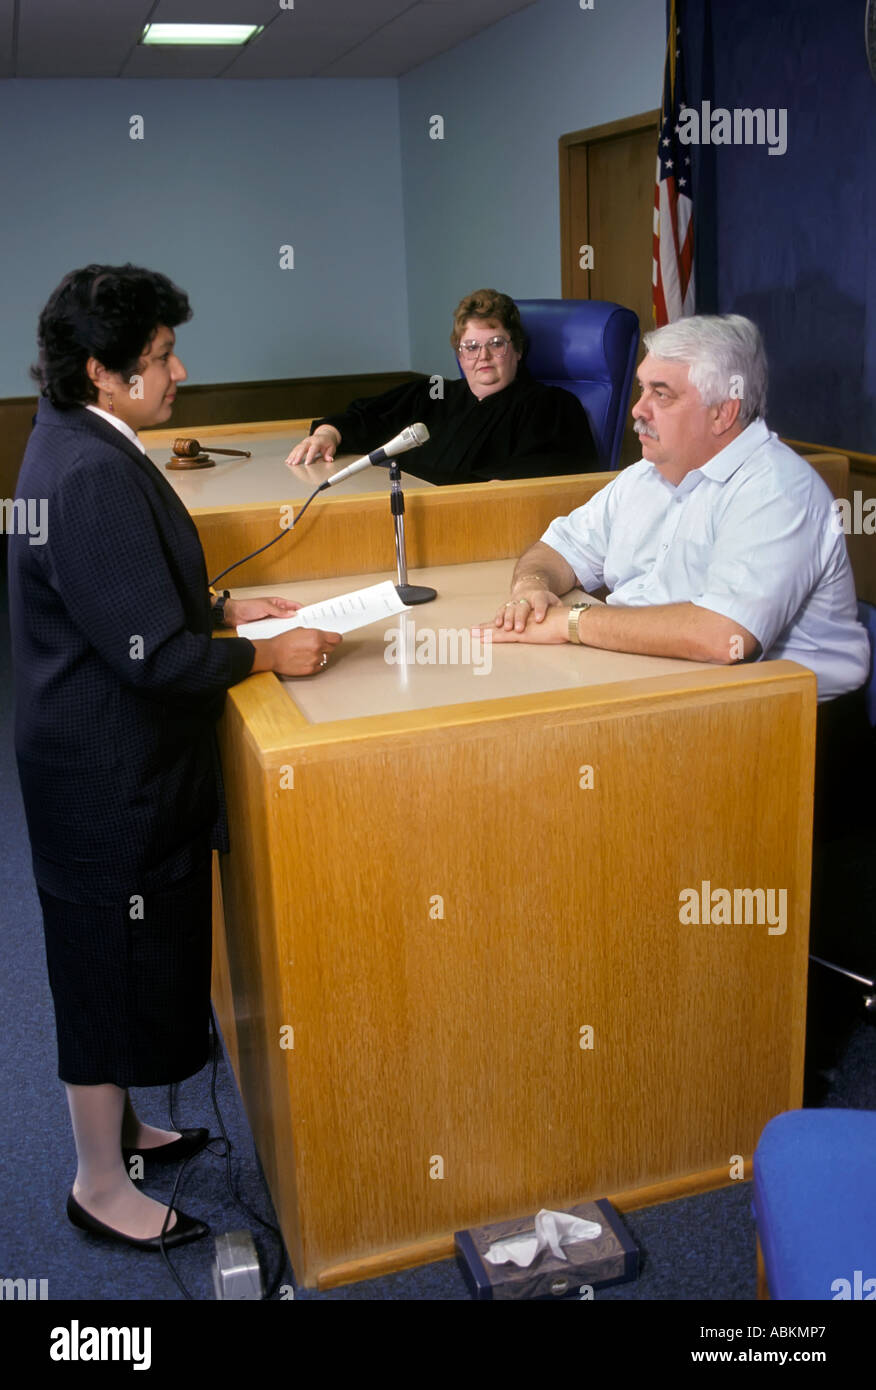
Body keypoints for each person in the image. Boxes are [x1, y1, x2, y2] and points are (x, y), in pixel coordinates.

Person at [8, 264, 341, 1251]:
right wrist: (265, 653)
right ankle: (98, 1182)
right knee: (102, 968)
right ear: (104, 372)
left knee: (125, 957)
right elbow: (152, 658)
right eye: (160, 358)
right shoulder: (91, 470)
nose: (180, 370)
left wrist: (225, 609)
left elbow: (122, 605)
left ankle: (127, 1135)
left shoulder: (77, 437)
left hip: (95, 752)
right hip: (104, 769)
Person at [286, 288, 599, 484]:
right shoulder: (433, 394)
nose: (483, 356)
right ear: (459, 354)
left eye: (496, 343)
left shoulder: (551, 406)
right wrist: (328, 433)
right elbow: (366, 417)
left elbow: (562, 473)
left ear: (518, 348)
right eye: (471, 347)